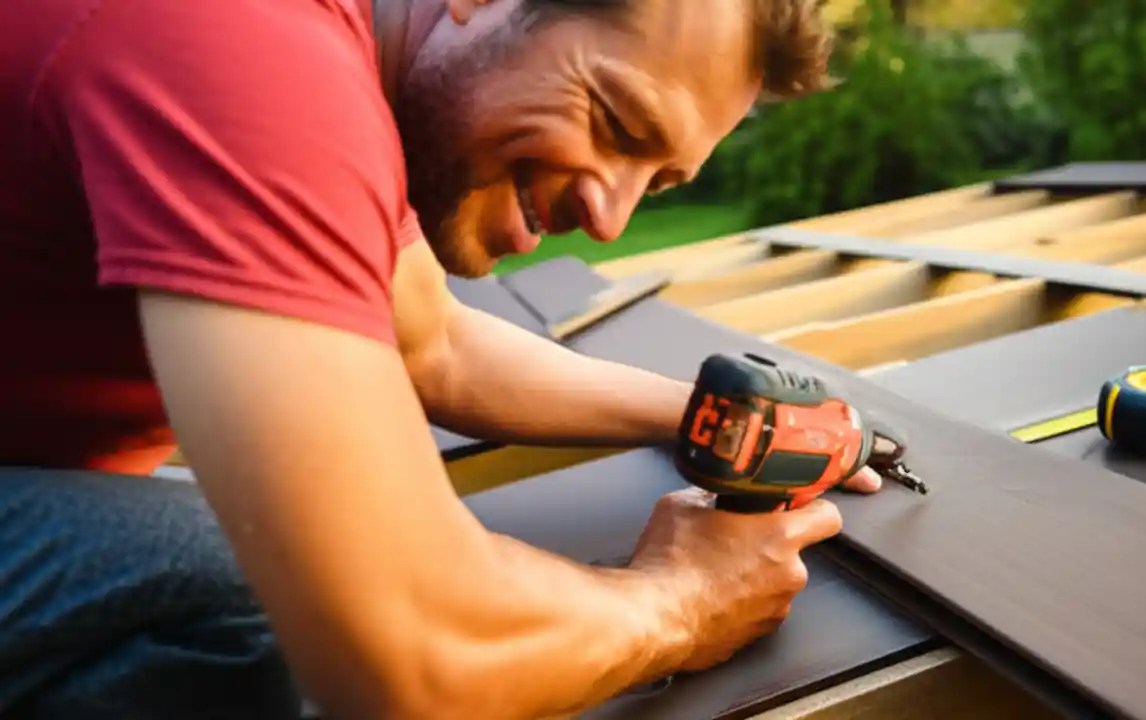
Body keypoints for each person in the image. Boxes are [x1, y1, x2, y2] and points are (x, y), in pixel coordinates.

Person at [0, 0, 884, 717]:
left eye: (653, 181)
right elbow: (402, 654)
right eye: (615, 123)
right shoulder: (248, 55)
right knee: (249, 590)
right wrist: (682, 604)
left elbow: (440, 344)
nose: (611, 216)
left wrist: (709, 416)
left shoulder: (340, 74)